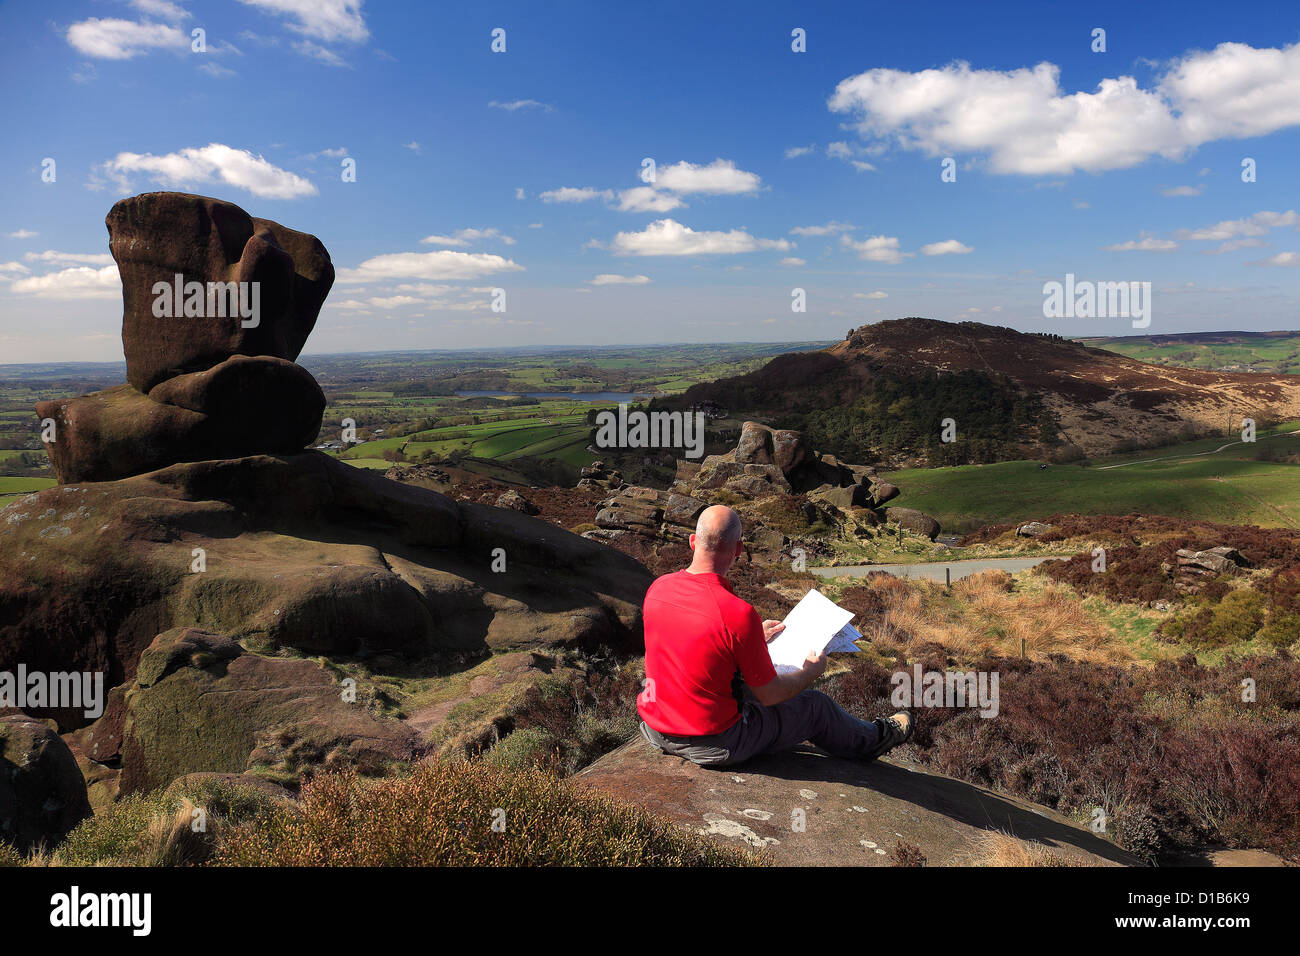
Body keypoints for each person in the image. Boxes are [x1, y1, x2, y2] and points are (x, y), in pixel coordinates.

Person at [637, 504, 913, 767]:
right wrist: (809, 673)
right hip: (715, 742)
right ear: (738, 550)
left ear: (692, 541)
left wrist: (752, 637)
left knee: (742, 686)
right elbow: (770, 695)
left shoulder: (657, 589)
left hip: (656, 729)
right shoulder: (737, 613)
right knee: (816, 707)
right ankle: (877, 739)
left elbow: (688, 645)